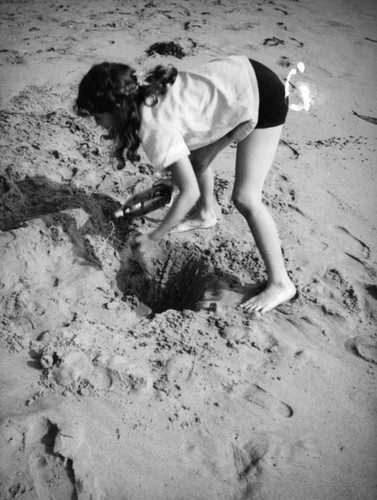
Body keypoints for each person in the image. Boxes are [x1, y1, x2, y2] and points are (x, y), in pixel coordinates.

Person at [75, 55, 296, 313]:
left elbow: (188, 191)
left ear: (117, 108)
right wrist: (162, 190)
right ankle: (205, 214)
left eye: (97, 115)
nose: (96, 122)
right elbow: (187, 169)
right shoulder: (140, 90)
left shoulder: (153, 128)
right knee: (196, 161)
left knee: (246, 198)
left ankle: (281, 283)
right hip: (237, 78)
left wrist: (154, 237)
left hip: (262, 95)